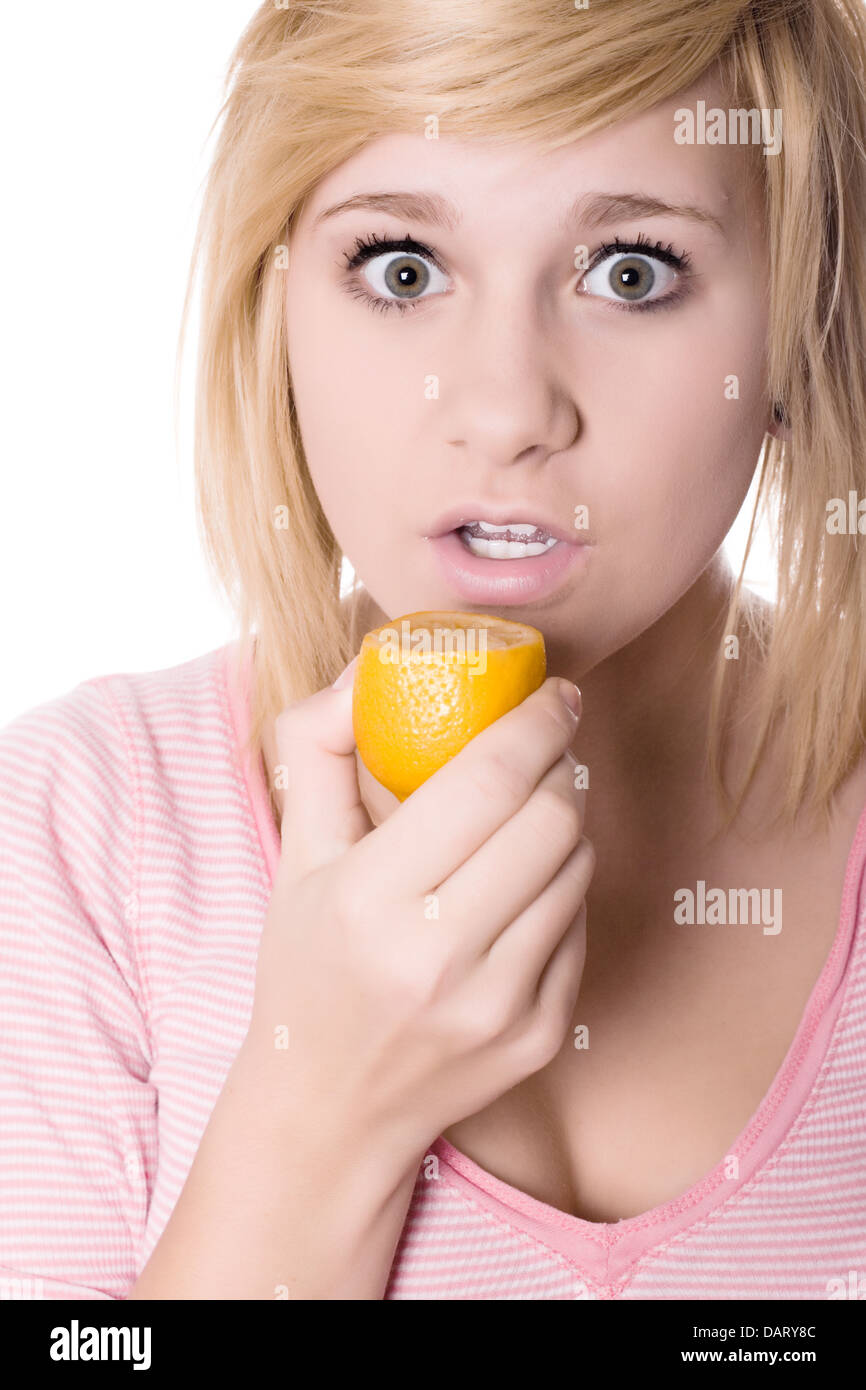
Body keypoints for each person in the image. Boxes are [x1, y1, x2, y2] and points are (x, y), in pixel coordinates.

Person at [2, 0, 866, 1302]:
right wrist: (320, 1109)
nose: (504, 408)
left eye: (629, 270)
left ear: (803, 315)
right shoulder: (77, 833)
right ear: (274, 301)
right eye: (402, 267)